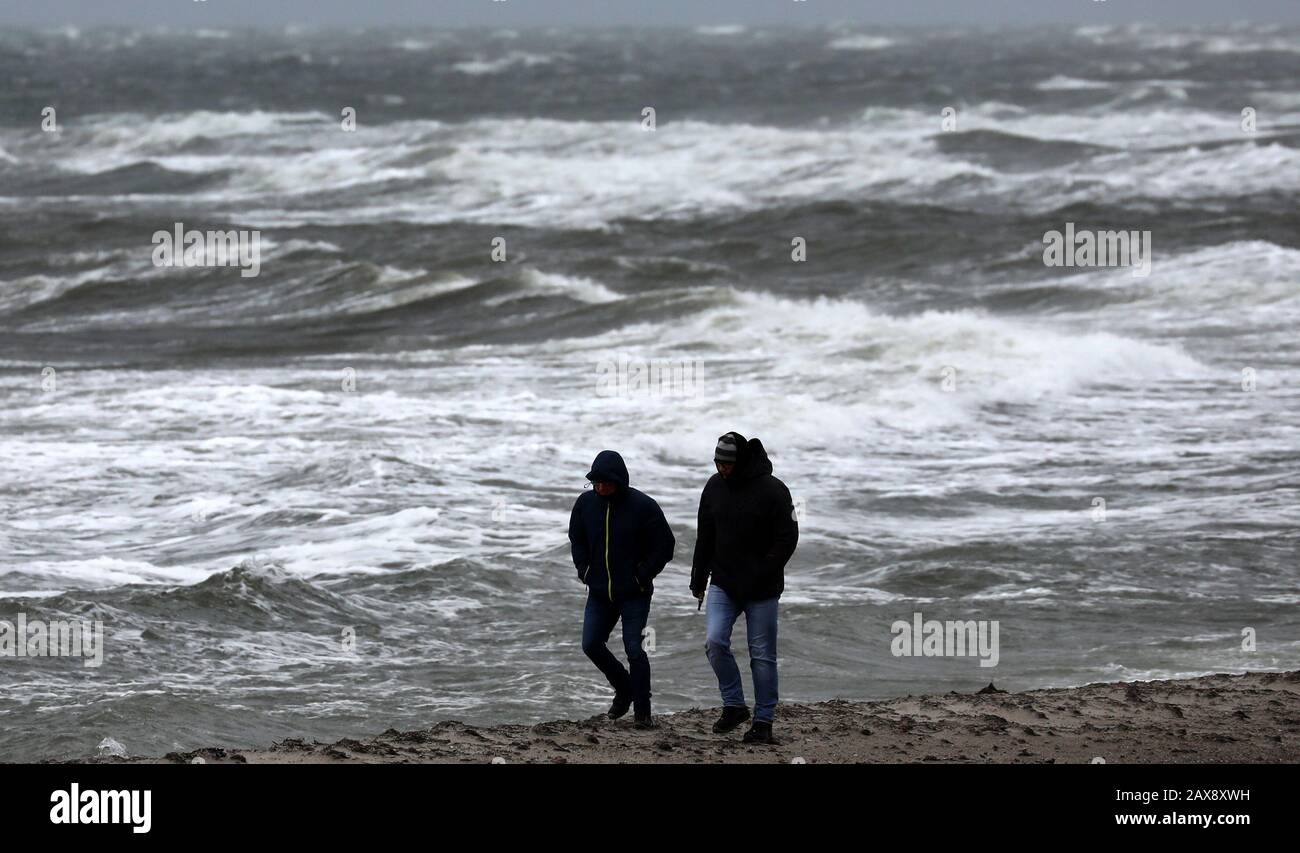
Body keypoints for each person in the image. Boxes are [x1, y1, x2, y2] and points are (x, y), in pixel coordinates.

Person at [690, 432, 798, 744]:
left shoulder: (773, 491)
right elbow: (705, 535)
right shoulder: (713, 487)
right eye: (717, 463)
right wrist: (699, 579)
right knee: (714, 641)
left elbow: (788, 536)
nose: (722, 469)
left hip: (762, 588)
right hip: (723, 583)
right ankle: (735, 706)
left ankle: (763, 722)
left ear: (740, 462)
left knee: (762, 655)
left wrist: (764, 570)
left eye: (727, 464)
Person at [568, 450, 675, 728]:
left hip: (634, 594)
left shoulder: (643, 506)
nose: (600, 487)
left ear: (620, 481)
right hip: (600, 592)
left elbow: (665, 545)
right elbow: (577, 539)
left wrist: (641, 576)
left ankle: (643, 713)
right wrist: (585, 570)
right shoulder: (585, 504)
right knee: (590, 644)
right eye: (596, 483)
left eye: (606, 482)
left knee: (634, 650)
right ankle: (625, 688)